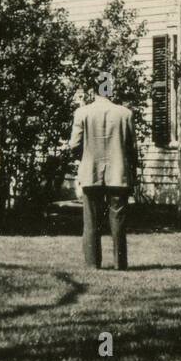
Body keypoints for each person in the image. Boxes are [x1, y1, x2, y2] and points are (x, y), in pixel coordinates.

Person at [68, 79, 138, 270]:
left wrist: (84, 158)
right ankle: (120, 264)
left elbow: (74, 145)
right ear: (110, 90)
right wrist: (132, 169)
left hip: (91, 172)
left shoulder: (82, 112)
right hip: (118, 173)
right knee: (118, 221)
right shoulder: (125, 113)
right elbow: (132, 148)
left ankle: (92, 264)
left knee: (91, 220)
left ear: (94, 90)